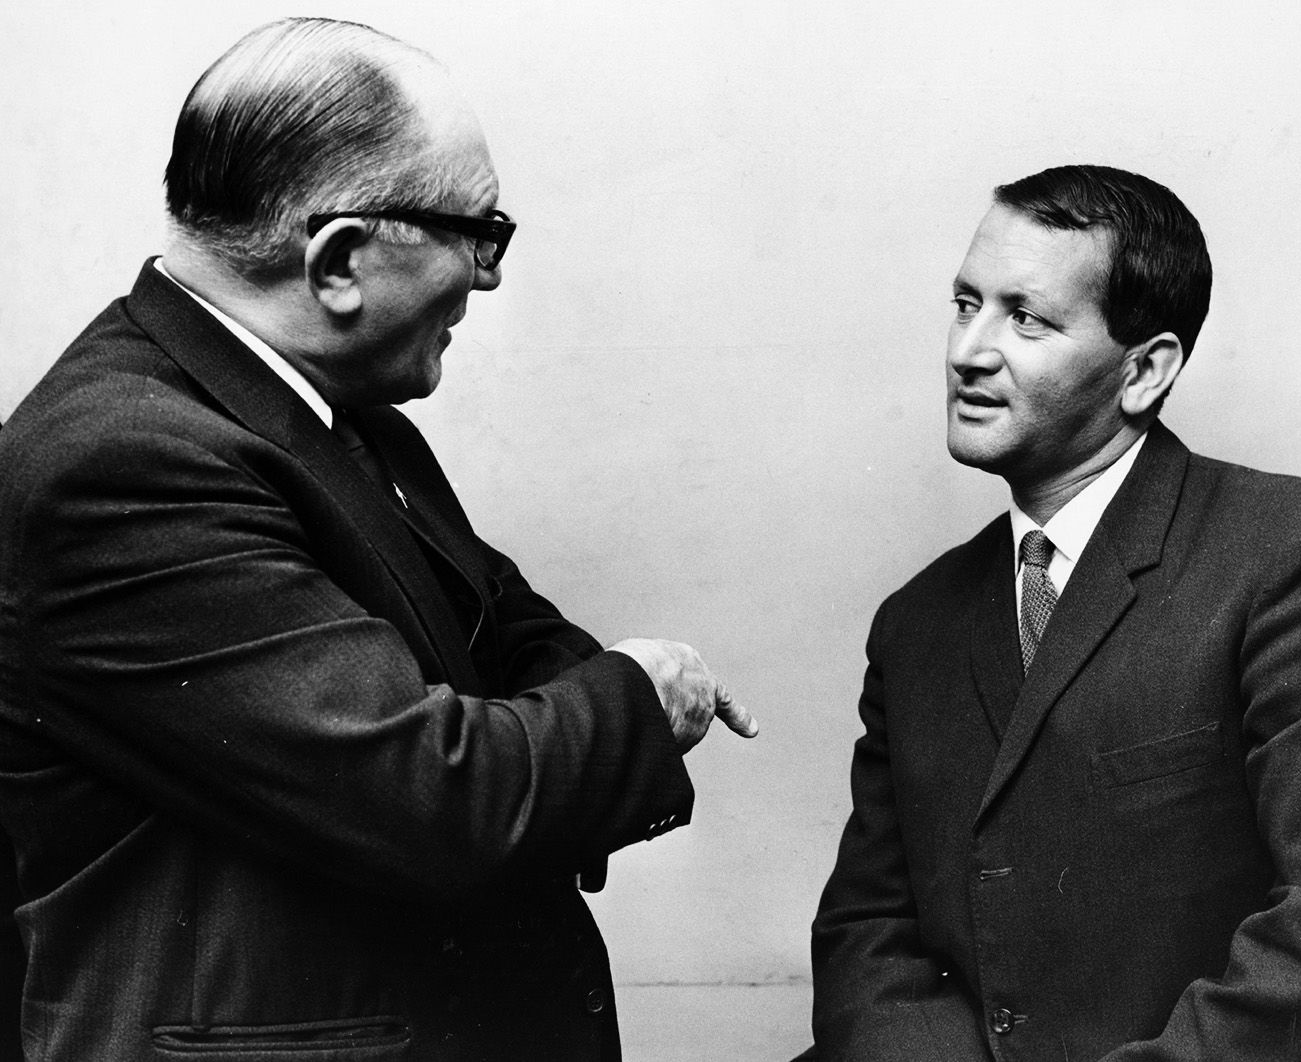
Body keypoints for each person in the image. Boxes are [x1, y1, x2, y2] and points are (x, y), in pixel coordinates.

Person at [0, 18, 757, 1062]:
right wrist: (645, 692)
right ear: (343, 260)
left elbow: (509, 630)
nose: (487, 277)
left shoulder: (337, 418)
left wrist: (552, 723)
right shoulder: (122, 467)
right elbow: (438, 799)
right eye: (476, 231)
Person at [808, 164, 1301, 1060]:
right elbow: (869, 936)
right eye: (965, 303)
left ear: (1145, 370)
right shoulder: (916, 623)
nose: (968, 349)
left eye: (1026, 318)